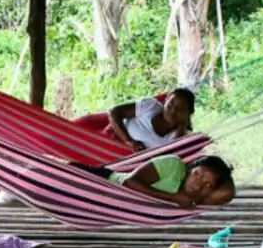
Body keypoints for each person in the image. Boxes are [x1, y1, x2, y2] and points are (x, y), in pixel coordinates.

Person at [79, 154, 236, 208]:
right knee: (58, 172)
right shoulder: (174, 165)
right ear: (190, 169)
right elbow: (129, 183)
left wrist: (222, 174)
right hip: (102, 182)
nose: (198, 184)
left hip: (108, 203)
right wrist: (173, 198)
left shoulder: (194, 199)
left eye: (208, 184)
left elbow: (229, 192)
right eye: (198, 175)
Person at [107, 88, 196, 152]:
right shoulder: (150, 106)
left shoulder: (182, 137)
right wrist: (128, 141)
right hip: (109, 145)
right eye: (170, 104)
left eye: (180, 109)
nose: (173, 111)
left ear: (188, 115)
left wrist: (182, 128)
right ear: (166, 100)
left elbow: (173, 158)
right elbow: (114, 112)